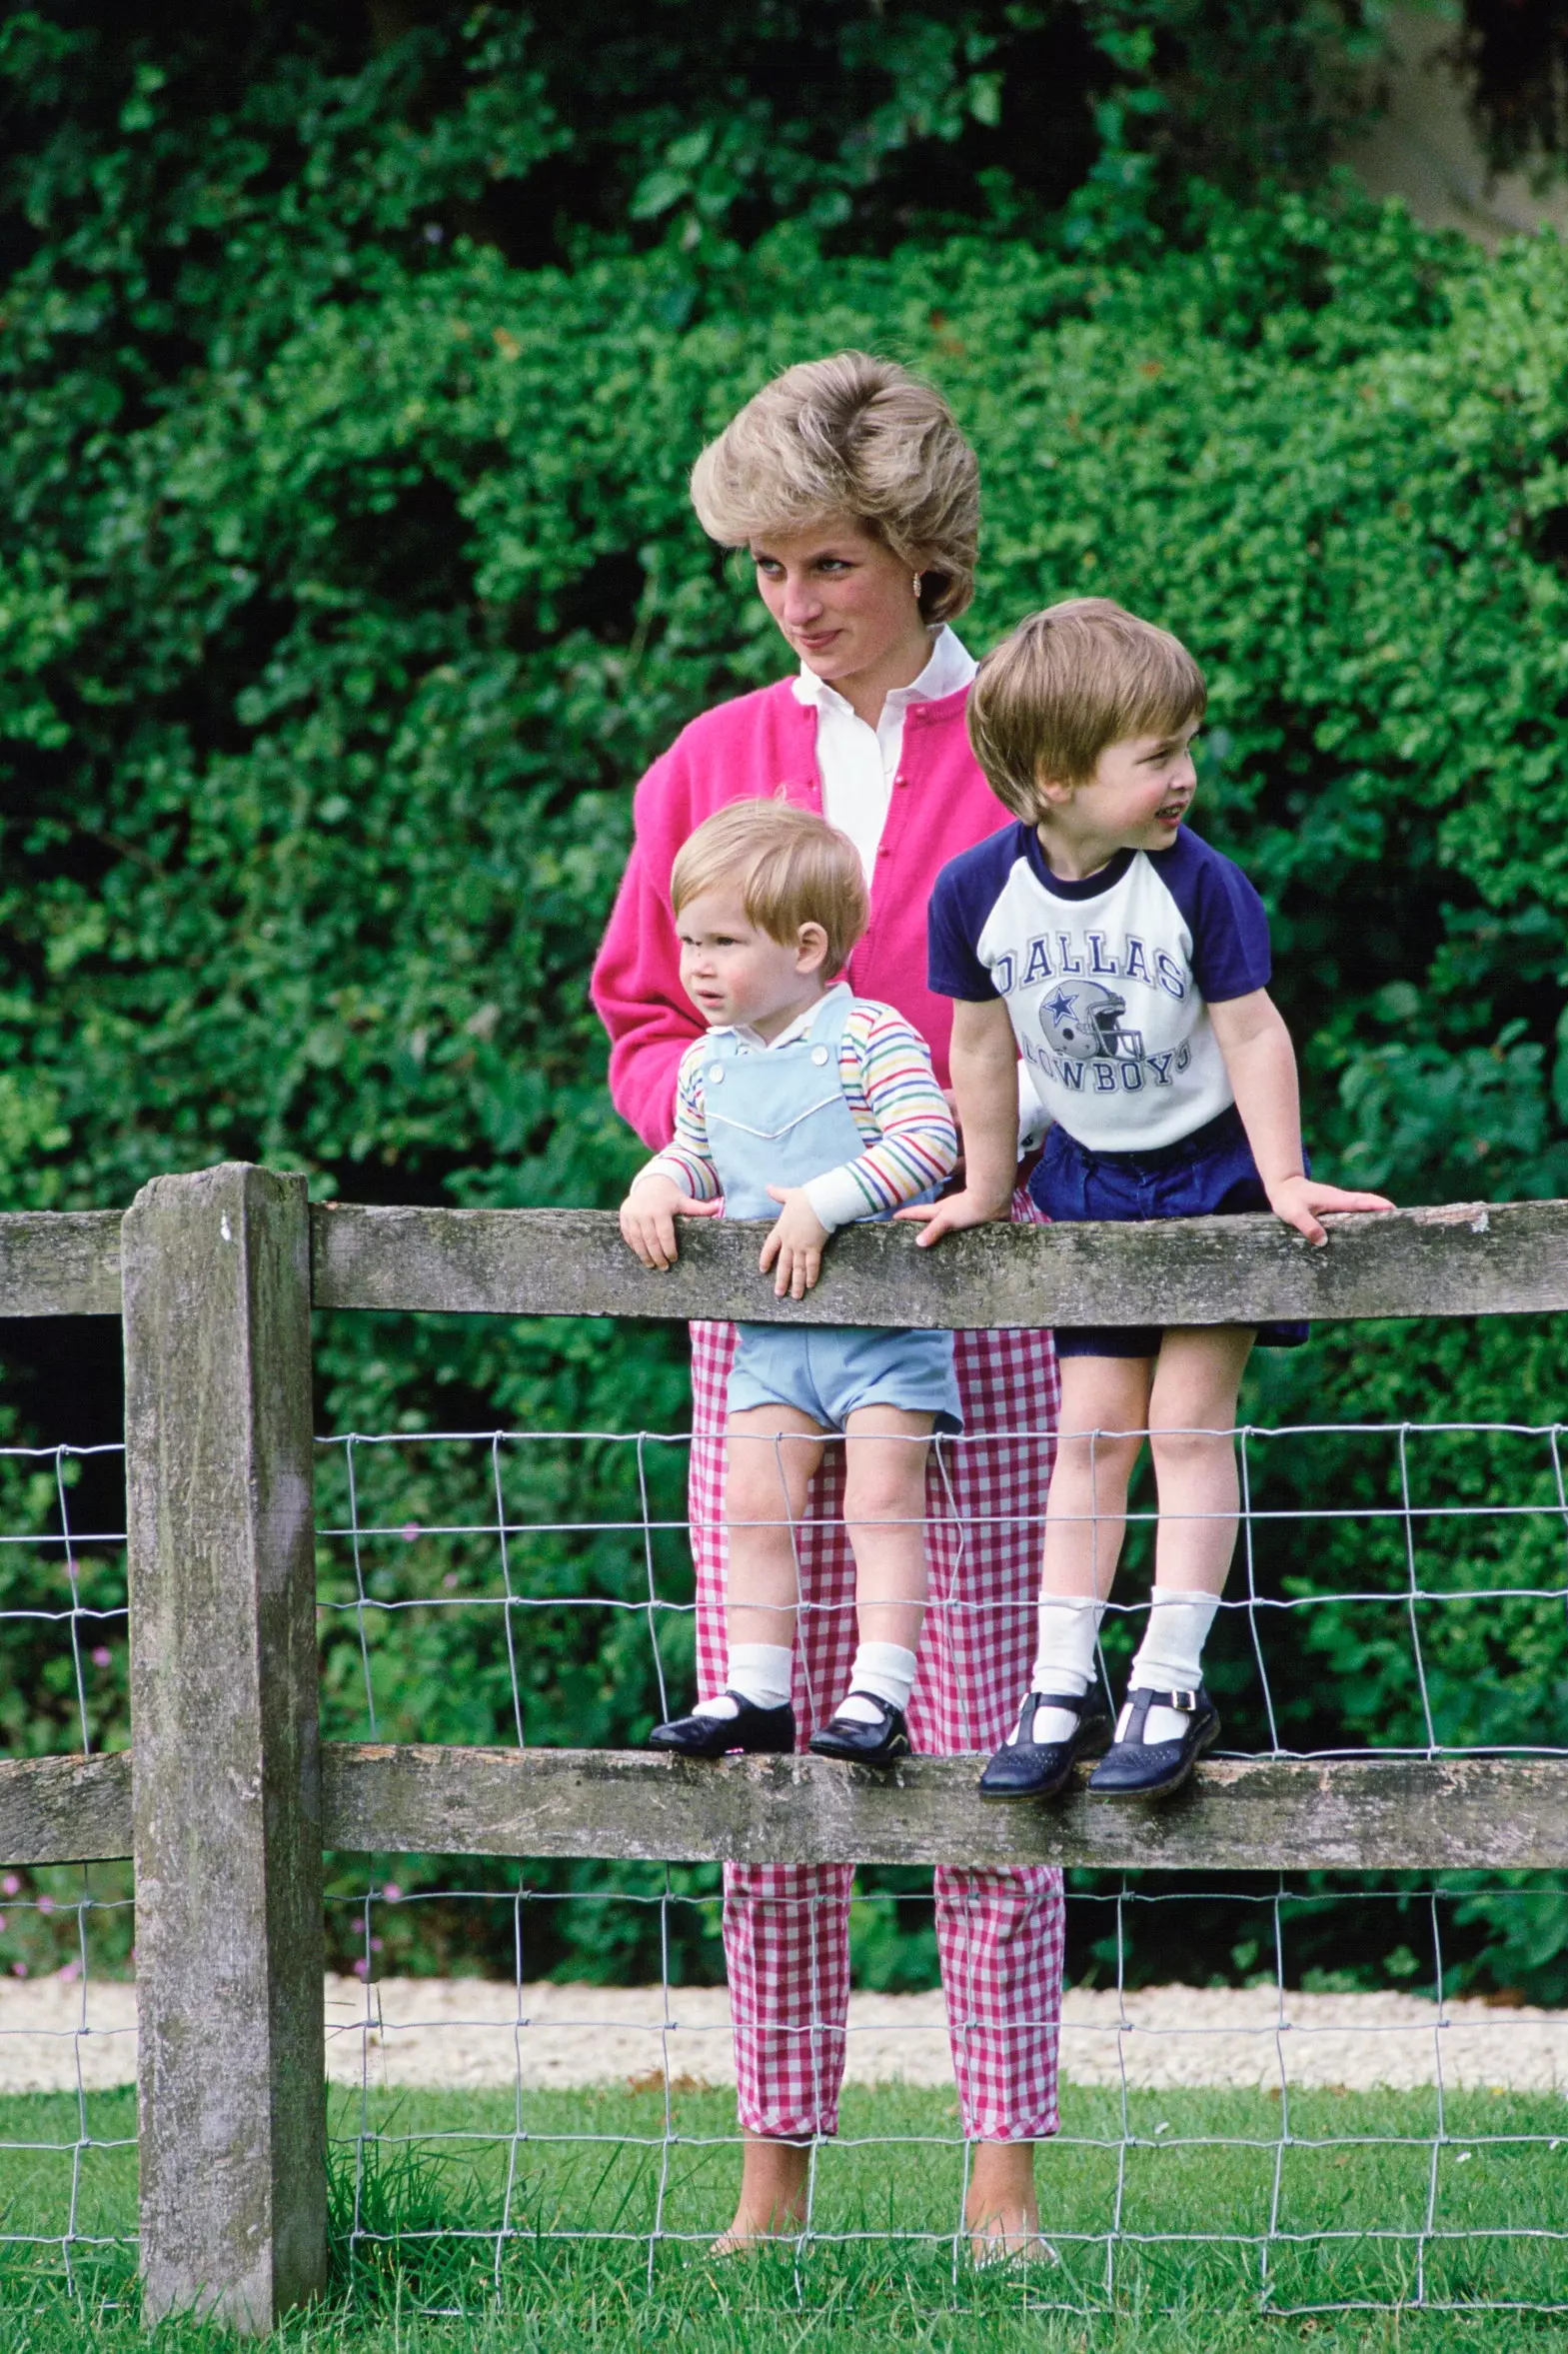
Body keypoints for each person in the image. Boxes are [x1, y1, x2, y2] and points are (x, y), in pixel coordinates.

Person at [592, 353, 1063, 2261]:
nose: (794, 597)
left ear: (922, 555)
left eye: (828, 559)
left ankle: (1002, 2190)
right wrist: (703, 1149)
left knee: (980, 1744)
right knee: (772, 1739)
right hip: (769, 1322)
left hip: (995, 1304)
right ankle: (769, 2182)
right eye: (769, 563)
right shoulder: (711, 761)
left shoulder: (1035, 737)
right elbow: (641, 1012)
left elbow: (1118, 984)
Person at [913, 598, 1393, 1800]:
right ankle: (1060, 1680)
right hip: (1084, 1183)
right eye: (1156, 757)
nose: (1185, 776)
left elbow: (1251, 1031)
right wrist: (983, 1183)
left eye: (1186, 746)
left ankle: (1169, 1678)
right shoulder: (976, 895)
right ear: (1053, 777)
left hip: (1210, 1173)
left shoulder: (1200, 885)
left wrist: (1279, 1176)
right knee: (1087, 1439)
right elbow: (979, 1053)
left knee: (1185, 1427)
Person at [620, 800, 961, 1764]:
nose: (695, 965)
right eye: (687, 940)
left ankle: (878, 1694)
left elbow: (931, 1141)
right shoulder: (704, 1066)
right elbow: (697, 1157)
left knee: (880, 1503)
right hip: (771, 1344)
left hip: (882, 1339)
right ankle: (757, 1691)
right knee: (753, 1507)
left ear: (809, 945)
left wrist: (827, 1198)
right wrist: (656, 1181)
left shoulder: (871, 1036)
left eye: (722, 942)